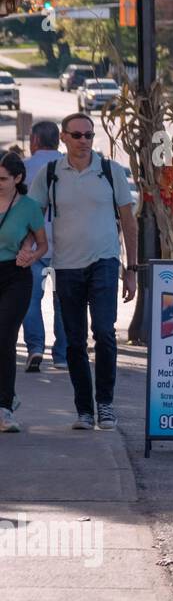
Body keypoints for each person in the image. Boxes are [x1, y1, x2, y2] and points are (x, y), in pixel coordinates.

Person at [23, 113, 137, 431]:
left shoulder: (109, 171)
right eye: (77, 135)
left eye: (89, 135)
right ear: (64, 138)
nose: (84, 141)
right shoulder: (50, 174)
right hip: (66, 266)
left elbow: (129, 222)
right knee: (74, 341)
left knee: (104, 332)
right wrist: (28, 249)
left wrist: (132, 269)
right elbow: (34, 215)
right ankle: (84, 410)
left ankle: (106, 404)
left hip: (104, 262)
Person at [0, 150, 49, 432]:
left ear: (18, 178)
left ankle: (4, 408)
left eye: (3, 178)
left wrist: (31, 254)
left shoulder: (28, 206)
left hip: (15, 277)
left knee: (4, 337)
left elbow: (42, 244)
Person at [22, 120, 67, 372]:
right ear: (59, 140)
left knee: (31, 299)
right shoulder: (69, 167)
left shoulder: (24, 169)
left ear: (35, 141)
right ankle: (62, 355)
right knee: (64, 300)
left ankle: (35, 347)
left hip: (32, 244)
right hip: (66, 245)